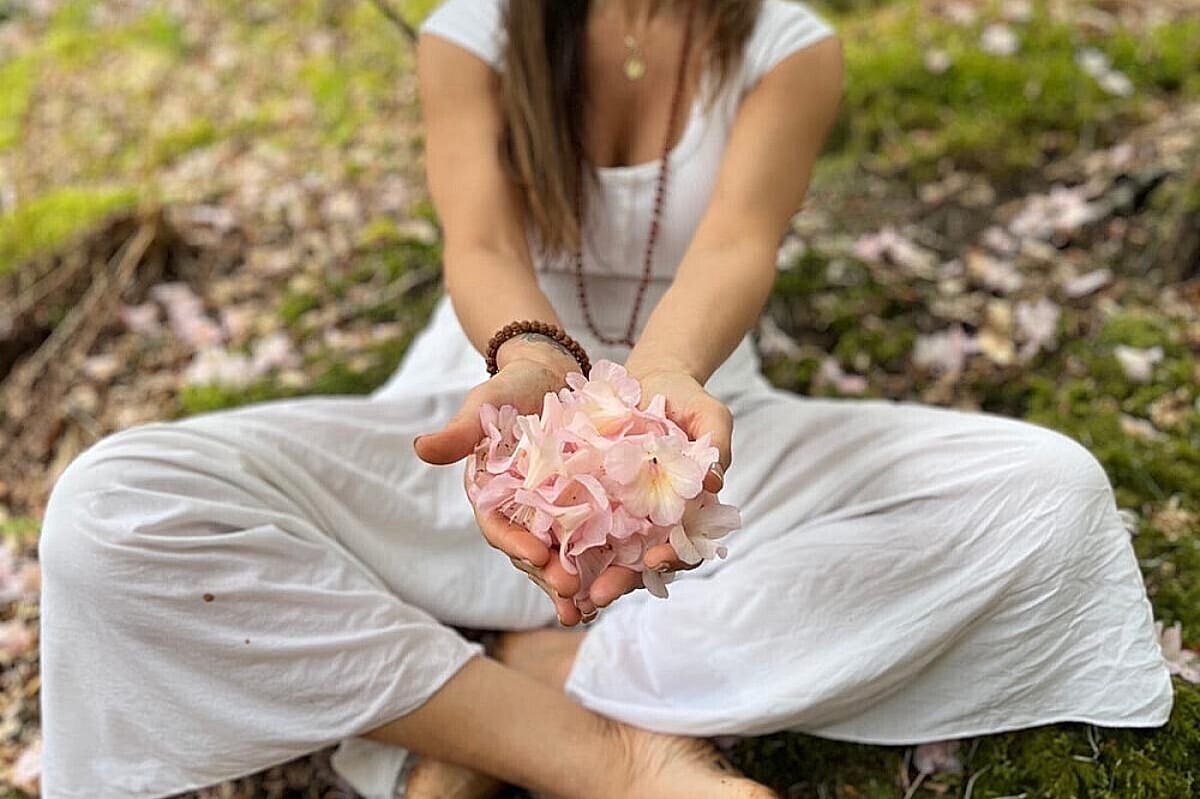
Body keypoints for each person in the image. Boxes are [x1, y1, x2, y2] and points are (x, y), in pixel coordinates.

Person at [38, 1, 1174, 797]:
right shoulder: (470, 31)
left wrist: (664, 383)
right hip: (486, 422)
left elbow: (735, 244)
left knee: (1050, 493)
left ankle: (522, 679)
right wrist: (533, 365)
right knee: (110, 506)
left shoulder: (789, 47)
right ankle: (605, 756)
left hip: (709, 433)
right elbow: (478, 238)